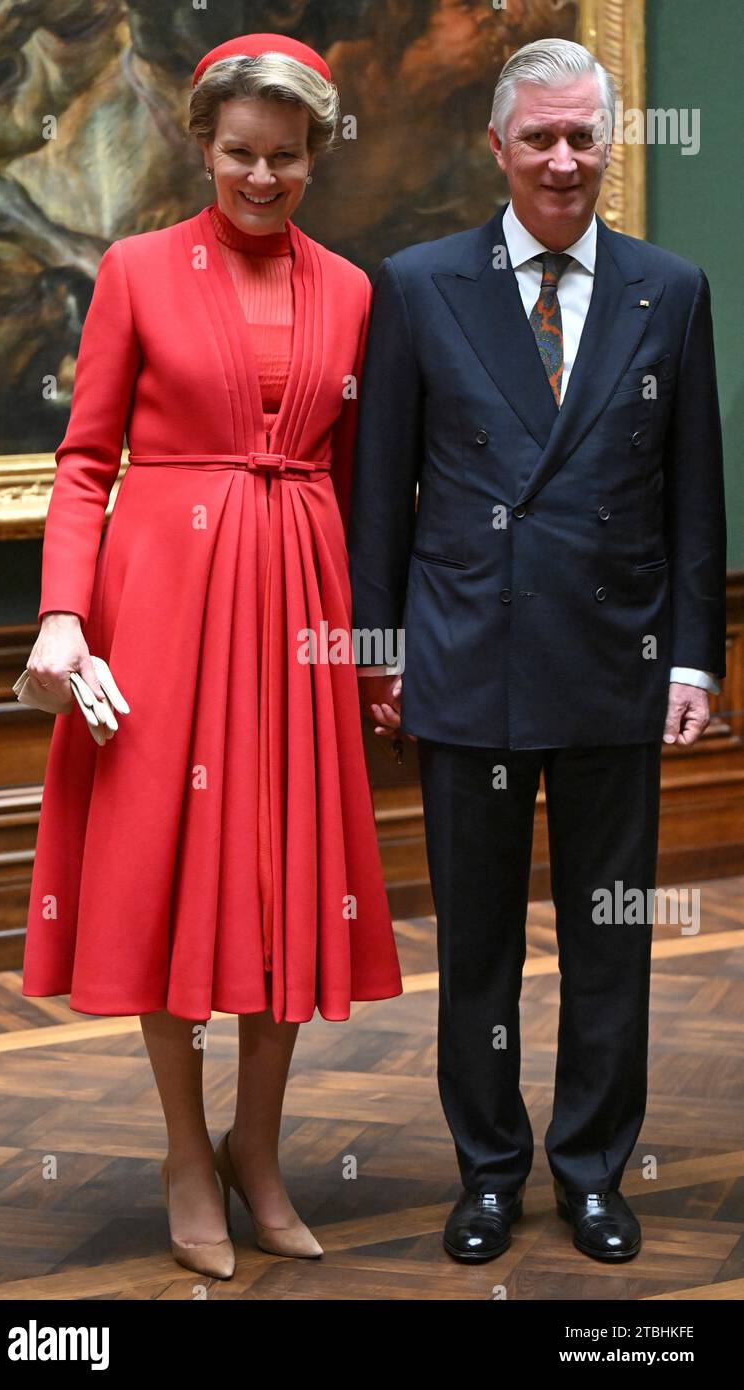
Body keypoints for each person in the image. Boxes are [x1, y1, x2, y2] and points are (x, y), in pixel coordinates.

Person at [22, 32, 402, 1281]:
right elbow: (84, 465)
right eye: (239, 154)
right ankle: (188, 1150)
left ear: (314, 156)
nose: (260, 178)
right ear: (202, 145)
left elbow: (359, 481)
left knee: (290, 872)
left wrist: (367, 646)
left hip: (300, 598)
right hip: (162, 603)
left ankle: (260, 1145)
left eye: (285, 159)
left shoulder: (352, 288)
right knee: (174, 869)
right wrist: (64, 616)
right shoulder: (134, 269)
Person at [350, 37, 726, 1263]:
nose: (562, 159)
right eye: (540, 137)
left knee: (610, 936)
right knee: (479, 949)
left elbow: (693, 497)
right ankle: (491, 1174)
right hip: (465, 666)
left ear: (609, 147)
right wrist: (378, 647)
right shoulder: (415, 285)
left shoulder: (668, 289)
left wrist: (693, 658)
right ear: (498, 146)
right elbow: (381, 489)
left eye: (583, 137)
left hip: (616, 668)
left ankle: (595, 1171)